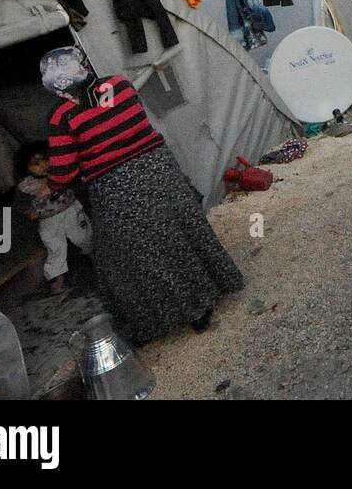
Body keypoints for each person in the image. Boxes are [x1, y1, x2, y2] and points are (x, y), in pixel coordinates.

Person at [40, 46, 244, 343]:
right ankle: (212, 290)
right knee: (181, 232)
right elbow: (120, 119)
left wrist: (52, 185)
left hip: (117, 188)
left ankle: (179, 312)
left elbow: (63, 173)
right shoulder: (119, 85)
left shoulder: (63, 116)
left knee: (134, 256)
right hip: (159, 169)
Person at [16, 143, 92, 295]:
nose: (43, 165)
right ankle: (58, 283)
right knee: (56, 250)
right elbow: (20, 203)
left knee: (84, 237)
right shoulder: (27, 185)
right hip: (48, 221)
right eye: (36, 164)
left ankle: (95, 259)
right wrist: (29, 212)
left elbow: (77, 180)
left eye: (45, 160)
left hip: (71, 210)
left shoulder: (59, 172)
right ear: (26, 168)